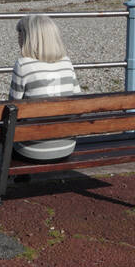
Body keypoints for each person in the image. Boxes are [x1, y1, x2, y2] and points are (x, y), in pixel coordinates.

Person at [8, 14, 82, 161]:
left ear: (29, 37)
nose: (18, 38)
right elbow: (78, 103)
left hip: (32, 149)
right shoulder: (67, 62)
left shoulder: (23, 65)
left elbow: (12, 108)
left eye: (20, 34)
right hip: (66, 146)